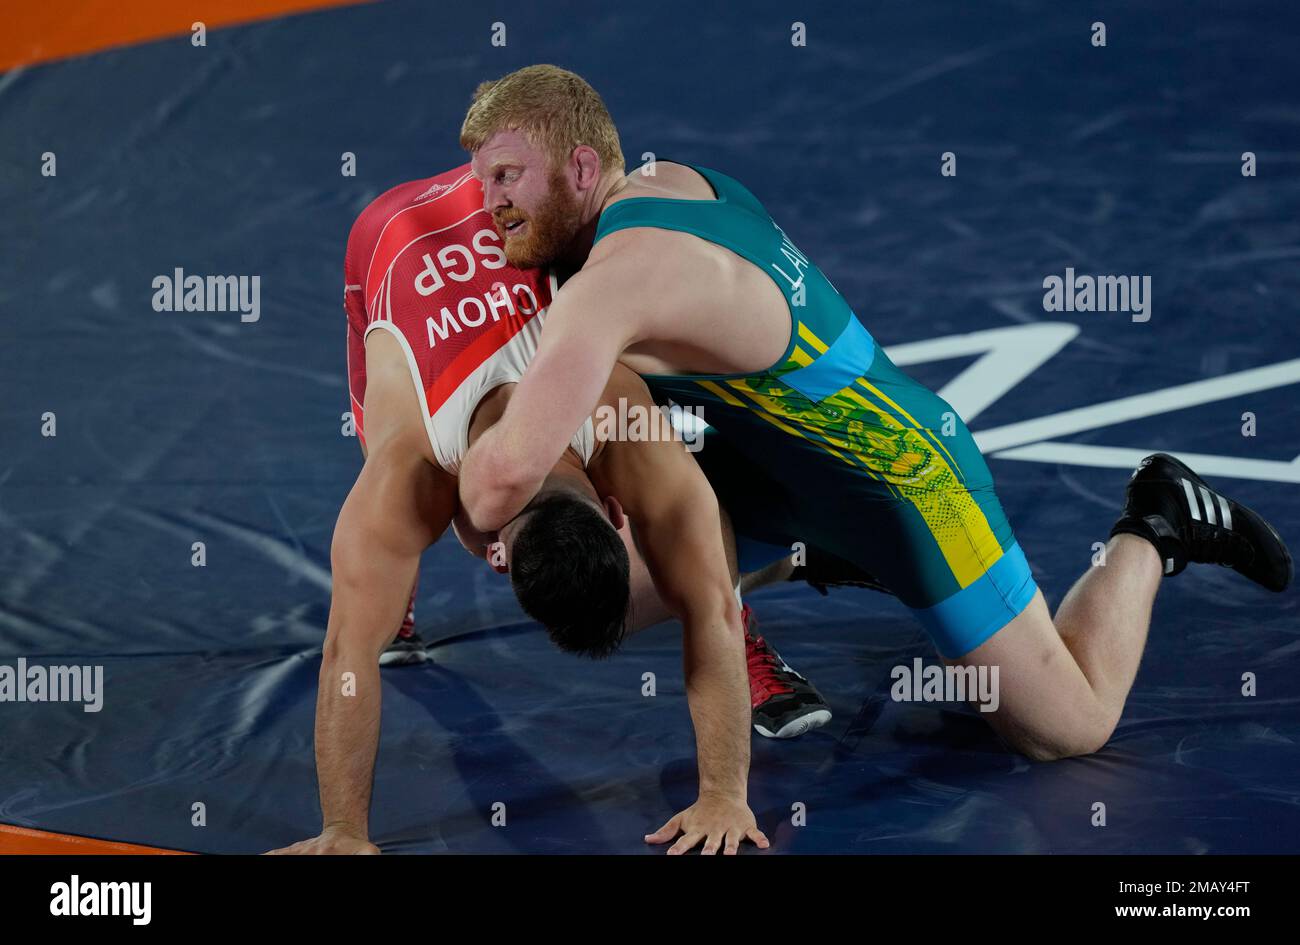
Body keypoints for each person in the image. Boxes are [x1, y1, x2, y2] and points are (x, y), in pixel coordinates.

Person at [456, 64, 1294, 766]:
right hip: (774, 478)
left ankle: (1157, 523)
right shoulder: (666, 182)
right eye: (479, 179)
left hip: (907, 482)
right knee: (598, 594)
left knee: (1068, 728)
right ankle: (809, 548)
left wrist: (432, 452)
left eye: (507, 178)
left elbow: (498, 482)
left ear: (578, 168)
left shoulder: (615, 284)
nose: (486, 203)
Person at [268, 163, 830, 855]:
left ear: (615, 509)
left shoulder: (619, 415)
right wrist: (341, 829)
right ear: (615, 512)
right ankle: (394, 594)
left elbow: (714, 601)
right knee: (376, 519)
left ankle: (385, 592)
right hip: (385, 233)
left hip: (507, 201)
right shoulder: (409, 468)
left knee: (699, 557)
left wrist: (724, 792)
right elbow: (345, 655)